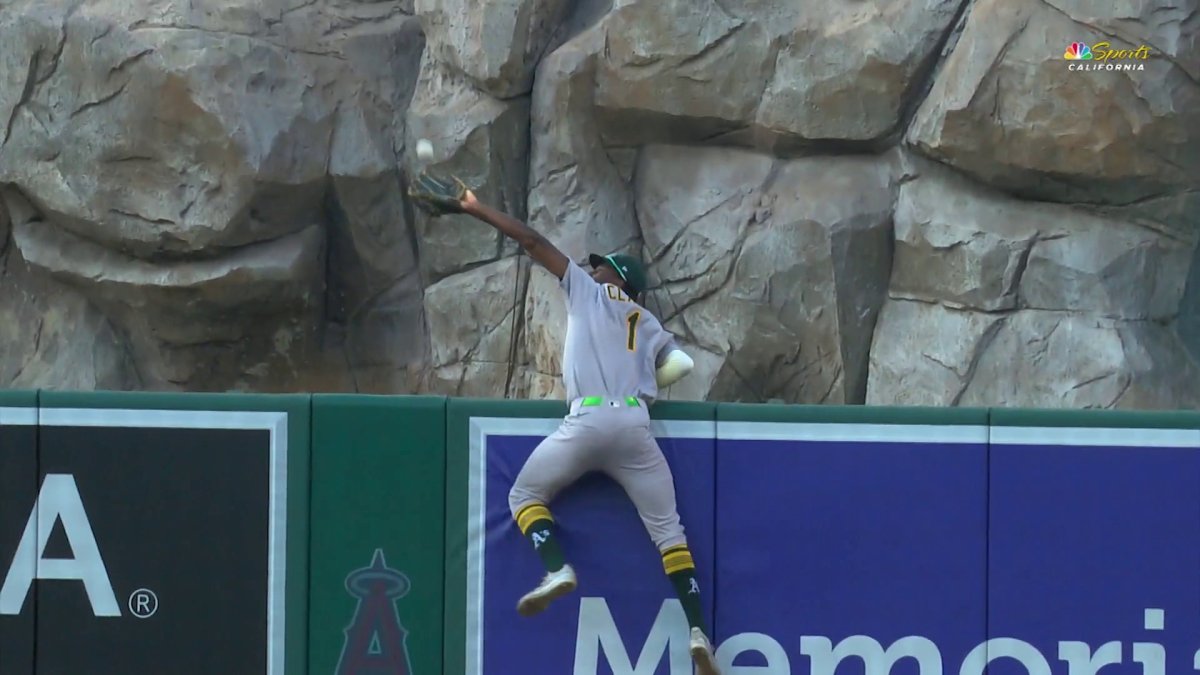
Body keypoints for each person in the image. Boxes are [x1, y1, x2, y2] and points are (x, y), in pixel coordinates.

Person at [410, 171, 720, 674]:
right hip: (636, 428)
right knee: (671, 536)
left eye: (603, 270)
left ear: (619, 280)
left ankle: (556, 570)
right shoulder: (651, 324)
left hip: (588, 420)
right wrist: (645, 373)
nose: (592, 272)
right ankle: (698, 631)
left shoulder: (589, 294)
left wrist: (473, 205)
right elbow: (681, 366)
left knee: (523, 496)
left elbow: (532, 241)